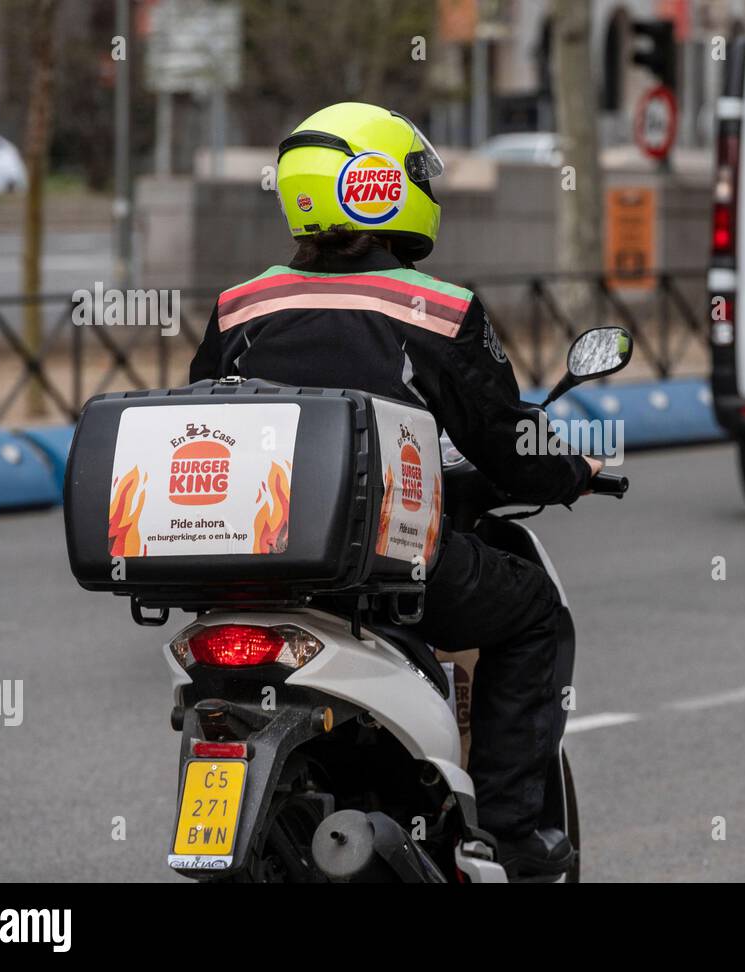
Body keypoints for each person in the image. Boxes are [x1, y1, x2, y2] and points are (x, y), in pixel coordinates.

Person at [189, 102, 601, 876]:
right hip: (382, 570)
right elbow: (511, 446)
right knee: (532, 614)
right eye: (415, 175)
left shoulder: (240, 308)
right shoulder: (437, 311)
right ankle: (510, 838)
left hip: (248, 574)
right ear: (377, 187)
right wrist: (573, 471)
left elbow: (207, 420)